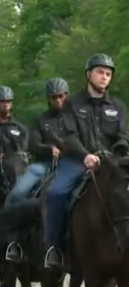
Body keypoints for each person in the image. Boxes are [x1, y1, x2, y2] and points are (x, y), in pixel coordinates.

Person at [43, 53, 129, 270]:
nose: (104, 77)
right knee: (56, 193)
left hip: (111, 162)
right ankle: (55, 248)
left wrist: (119, 153)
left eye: (108, 74)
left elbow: (123, 136)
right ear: (89, 75)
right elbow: (68, 135)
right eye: (100, 72)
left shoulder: (118, 106)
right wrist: (85, 154)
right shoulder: (72, 104)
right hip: (77, 160)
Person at [5, 78, 70, 262]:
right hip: (43, 165)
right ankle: (13, 242)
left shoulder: (76, 119)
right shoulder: (41, 120)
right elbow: (32, 144)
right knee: (17, 194)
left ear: (67, 96)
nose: (58, 101)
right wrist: (49, 149)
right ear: (48, 99)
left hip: (71, 165)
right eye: (54, 97)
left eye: (61, 96)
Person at [0, 85, 29, 162]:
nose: (6, 105)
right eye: (2, 101)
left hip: (14, 166)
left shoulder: (20, 128)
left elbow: (24, 150)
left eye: (8, 101)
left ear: (12, 103)